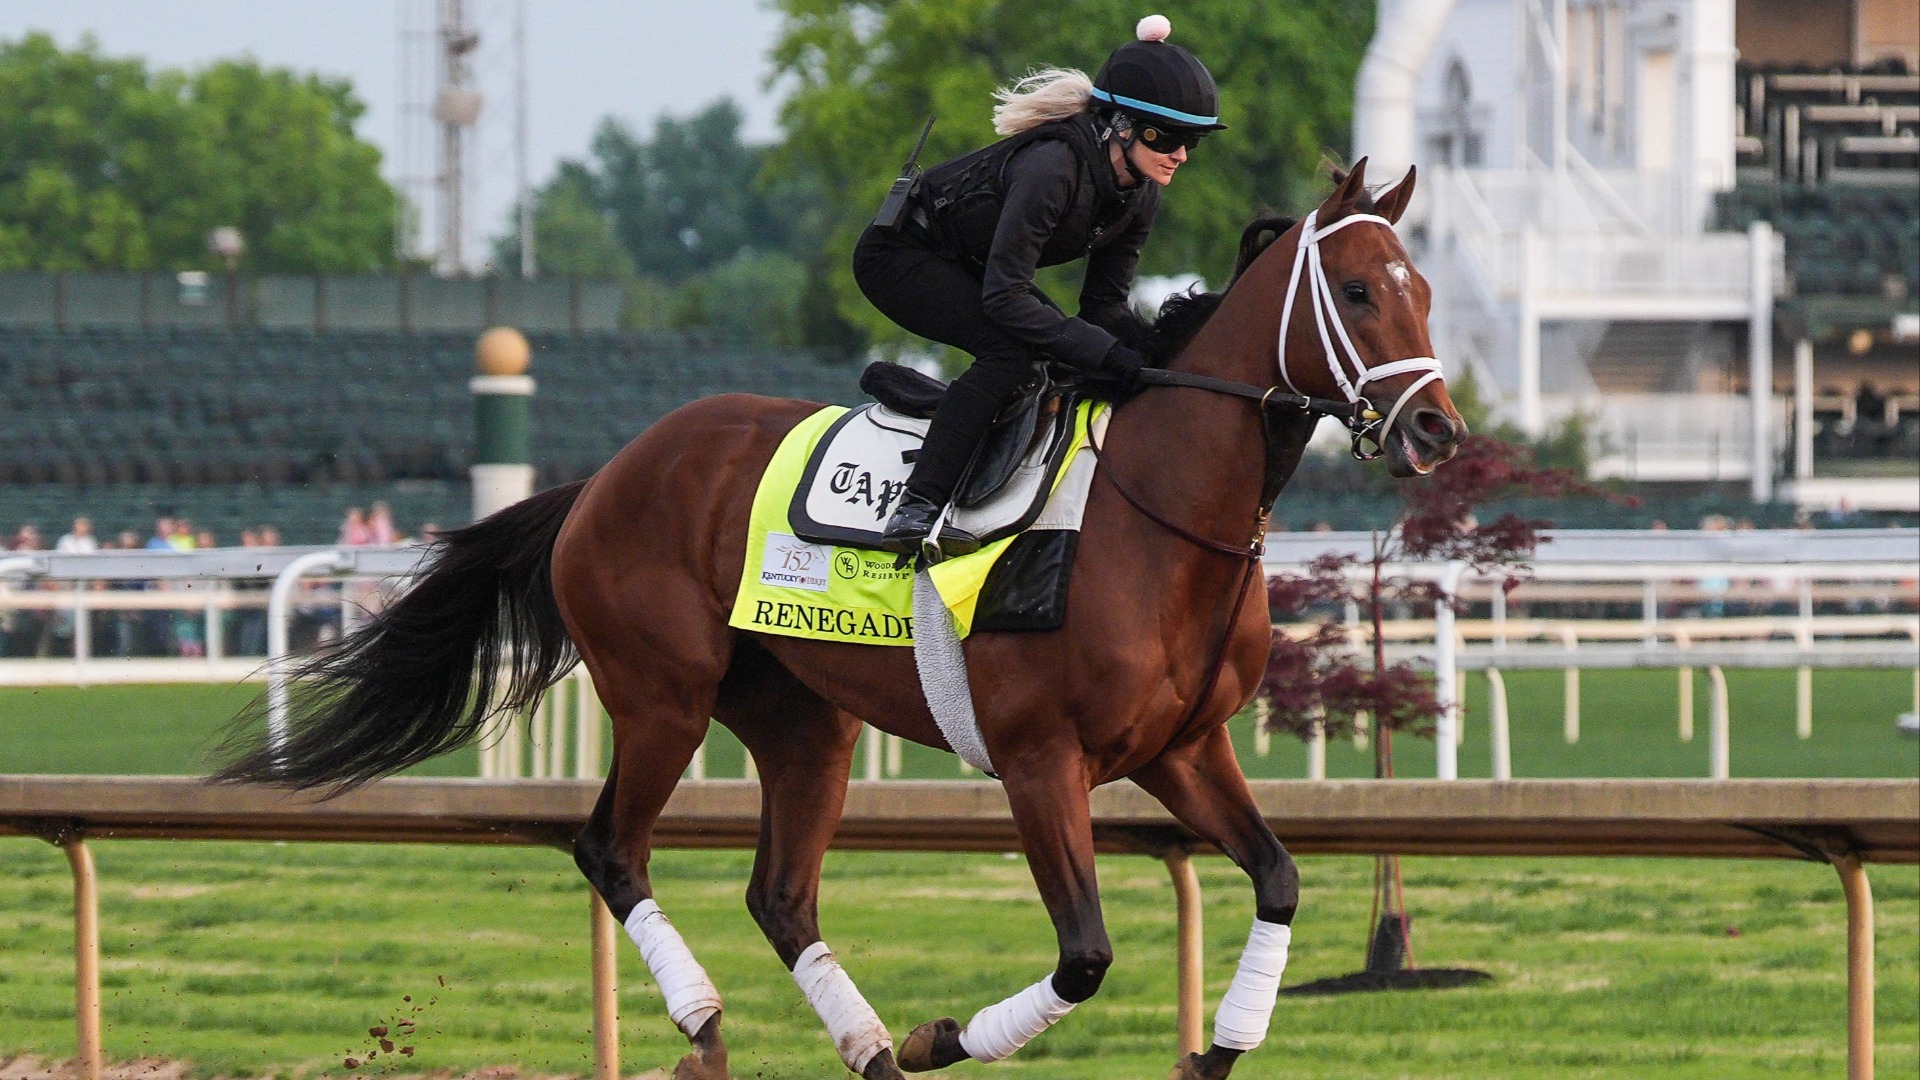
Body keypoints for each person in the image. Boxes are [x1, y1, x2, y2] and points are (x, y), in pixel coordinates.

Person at [853, 15, 1224, 556]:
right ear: (1121, 124)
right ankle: (919, 505)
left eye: (1193, 141)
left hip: (972, 265)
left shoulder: (1140, 193)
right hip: (901, 256)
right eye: (1168, 136)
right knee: (1009, 351)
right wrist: (1104, 351)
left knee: (1063, 351)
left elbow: (1102, 304)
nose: (1181, 154)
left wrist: (1151, 360)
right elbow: (1005, 297)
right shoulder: (1053, 167)